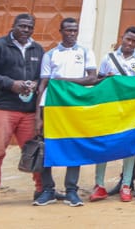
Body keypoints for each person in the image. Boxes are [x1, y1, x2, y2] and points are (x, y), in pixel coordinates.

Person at [0, 13, 45, 209]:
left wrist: (35, 84)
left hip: (28, 110)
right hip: (0, 107)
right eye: (22, 26)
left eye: (30, 27)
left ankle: (42, 190)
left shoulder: (37, 49)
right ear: (13, 26)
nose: (26, 30)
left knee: (35, 151)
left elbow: (43, 77)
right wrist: (10, 84)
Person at [34, 17, 98, 207]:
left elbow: (92, 78)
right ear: (60, 31)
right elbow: (43, 85)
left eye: (75, 30)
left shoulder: (85, 52)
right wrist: (38, 116)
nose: (71, 34)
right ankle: (48, 190)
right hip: (52, 106)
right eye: (68, 30)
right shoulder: (51, 54)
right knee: (47, 146)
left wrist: (65, 81)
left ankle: (71, 190)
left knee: (74, 145)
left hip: (74, 105)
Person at [91, 27, 135, 203]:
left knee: (129, 147)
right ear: (122, 37)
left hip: (129, 110)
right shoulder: (108, 58)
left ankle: (126, 185)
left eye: (134, 41)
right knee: (104, 144)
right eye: (127, 39)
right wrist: (107, 78)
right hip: (109, 108)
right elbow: (97, 82)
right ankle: (99, 185)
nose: (129, 43)